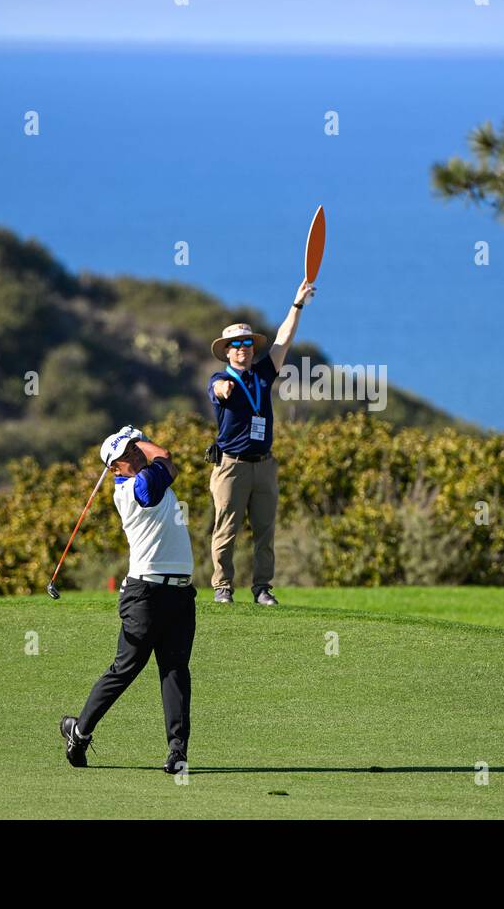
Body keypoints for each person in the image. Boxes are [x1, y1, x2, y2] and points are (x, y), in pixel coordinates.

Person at [60, 425, 196, 775]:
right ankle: (81, 732)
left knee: (175, 670)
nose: (136, 457)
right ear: (116, 470)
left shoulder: (147, 479)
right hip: (145, 595)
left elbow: (168, 464)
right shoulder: (136, 489)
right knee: (127, 668)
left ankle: (177, 752)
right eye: (127, 457)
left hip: (179, 593)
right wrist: (139, 439)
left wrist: (133, 442)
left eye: (135, 453)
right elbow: (165, 457)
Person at [206, 280, 316, 605]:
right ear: (227, 351)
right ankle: (223, 588)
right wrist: (224, 390)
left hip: (264, 464)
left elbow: (283, 339)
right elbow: (218, 391)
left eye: (247, 343)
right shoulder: (219, 378)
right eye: (236, 344)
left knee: (265, 532)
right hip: (231, 466)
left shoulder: (263, 374)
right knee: (226, 530)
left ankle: (262, 588)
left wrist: (296, 305)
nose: (243, 348)